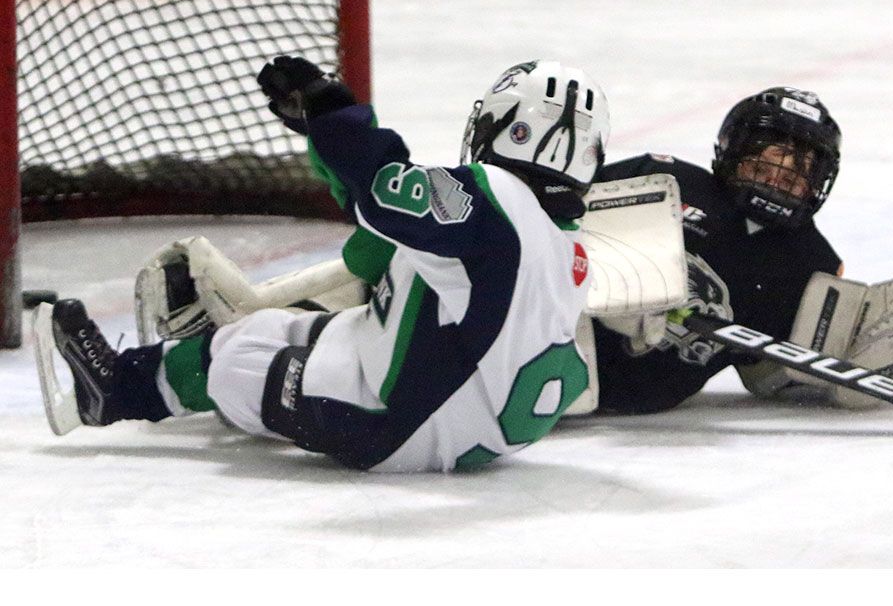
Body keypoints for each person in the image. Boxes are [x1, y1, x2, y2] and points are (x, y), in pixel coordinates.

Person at [34, 57, 611, 472]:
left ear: (502, 129)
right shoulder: (566, 247)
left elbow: (387, 190)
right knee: (263, 330)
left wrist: (331, 113)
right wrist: (326, 139)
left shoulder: (496, 198)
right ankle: (135, 380)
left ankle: (122, 392)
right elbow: (382, 239)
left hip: (401, 425)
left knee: (236, 361)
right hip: (467, 417)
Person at [591, 86, 845, 414]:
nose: (779, 175)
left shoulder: (812, 263)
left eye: (798, 169)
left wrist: (851, 350)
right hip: (551, 361)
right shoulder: (658, 180)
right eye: (765, 163)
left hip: (643, 411)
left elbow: (766, 376)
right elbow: (552, 224)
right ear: (733, 151)